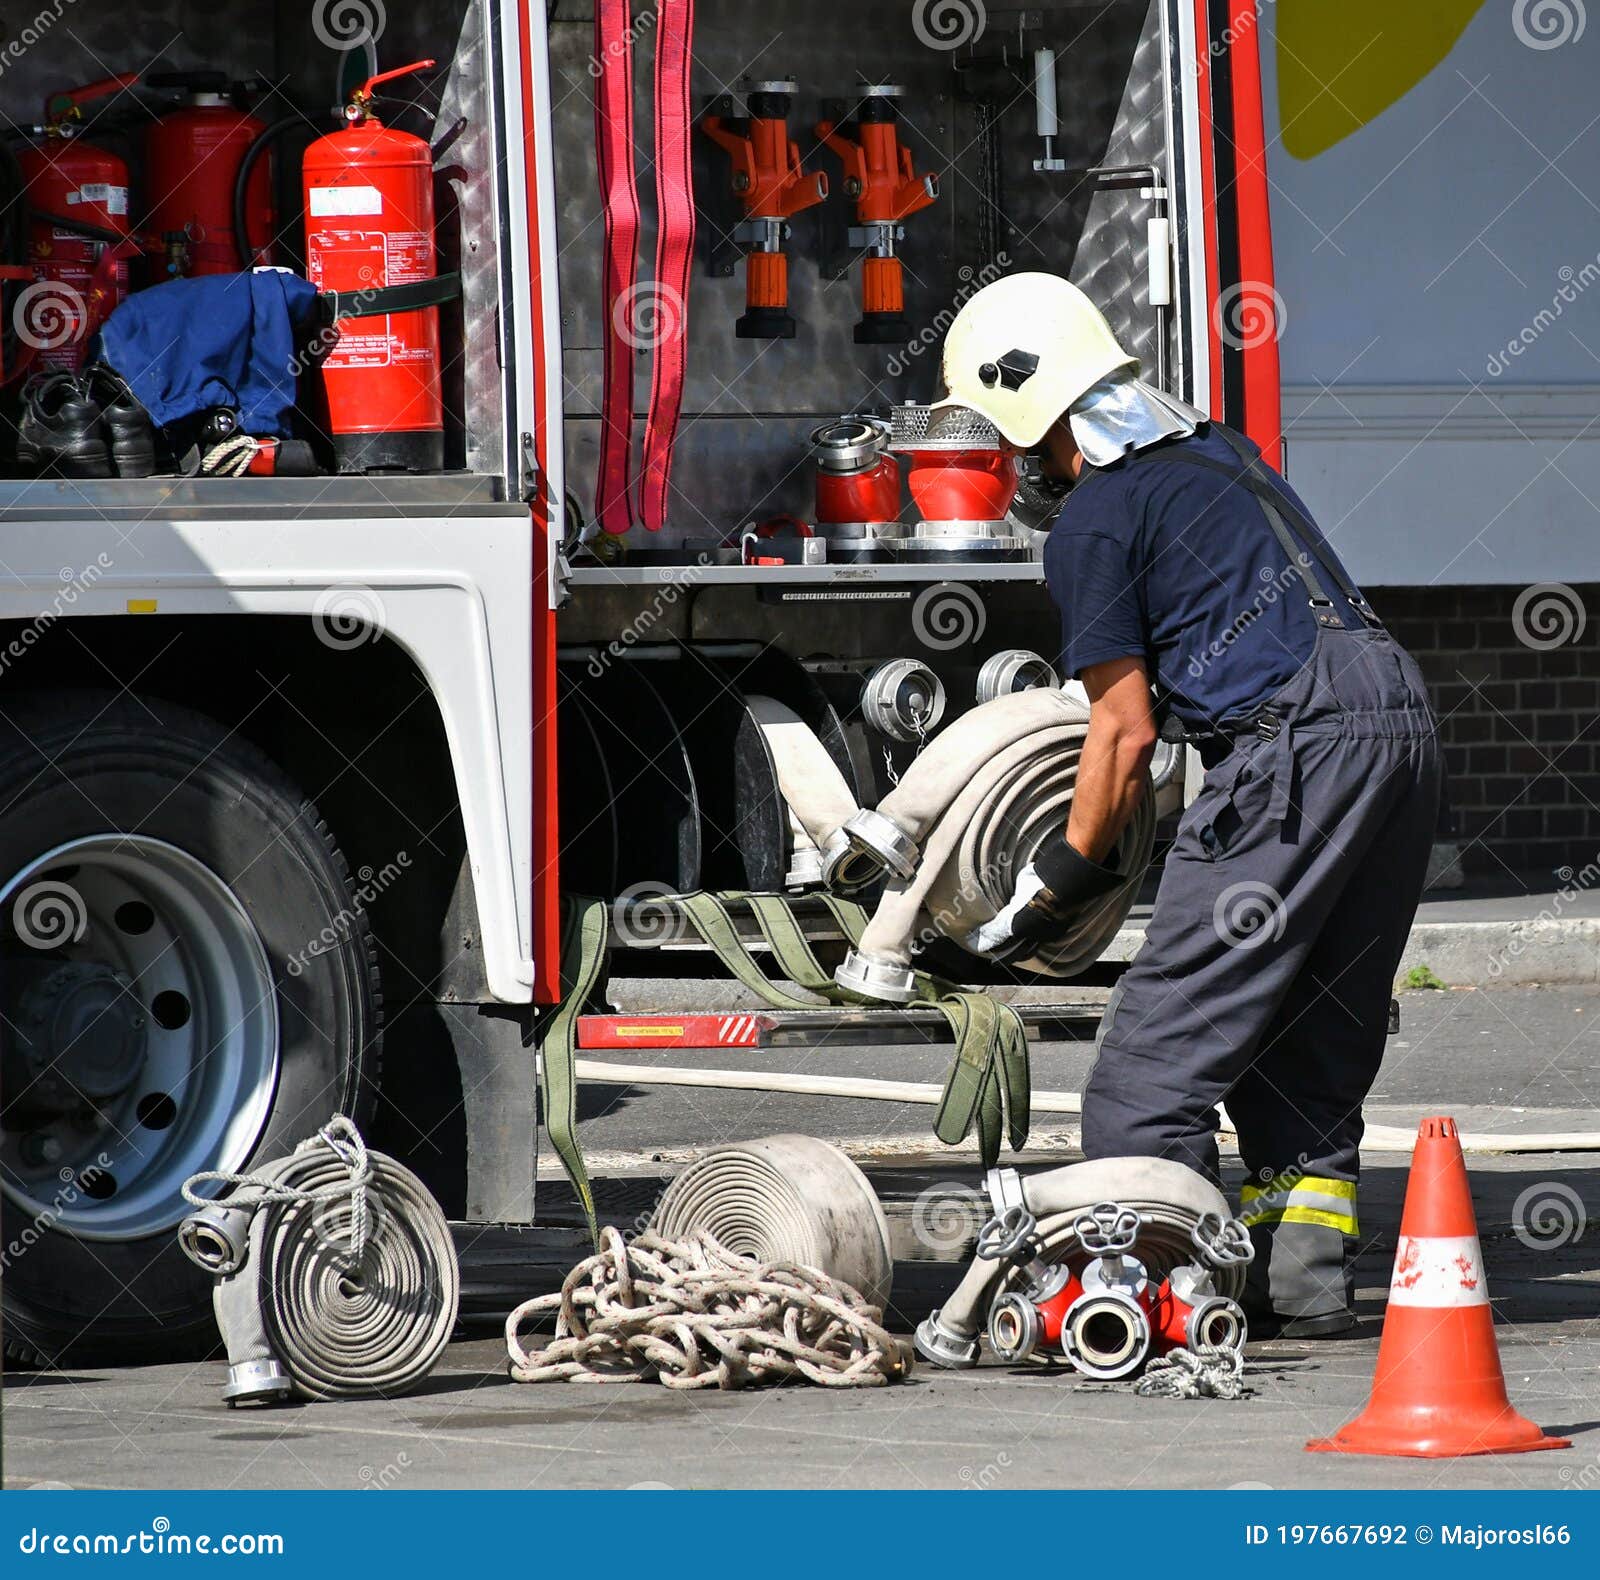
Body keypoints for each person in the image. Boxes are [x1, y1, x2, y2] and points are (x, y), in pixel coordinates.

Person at [943, 273, 1441, 1336]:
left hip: (1294, 748)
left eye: (1003, 442)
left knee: (1144, 1076)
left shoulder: (1093, 521)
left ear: (1035, 429)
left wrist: (1058, 880)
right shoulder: (1220, 452)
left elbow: (1119, 732)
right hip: (1396, 722)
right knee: (1305, 1036)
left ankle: (1166, 1295)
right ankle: (1301, 1284)